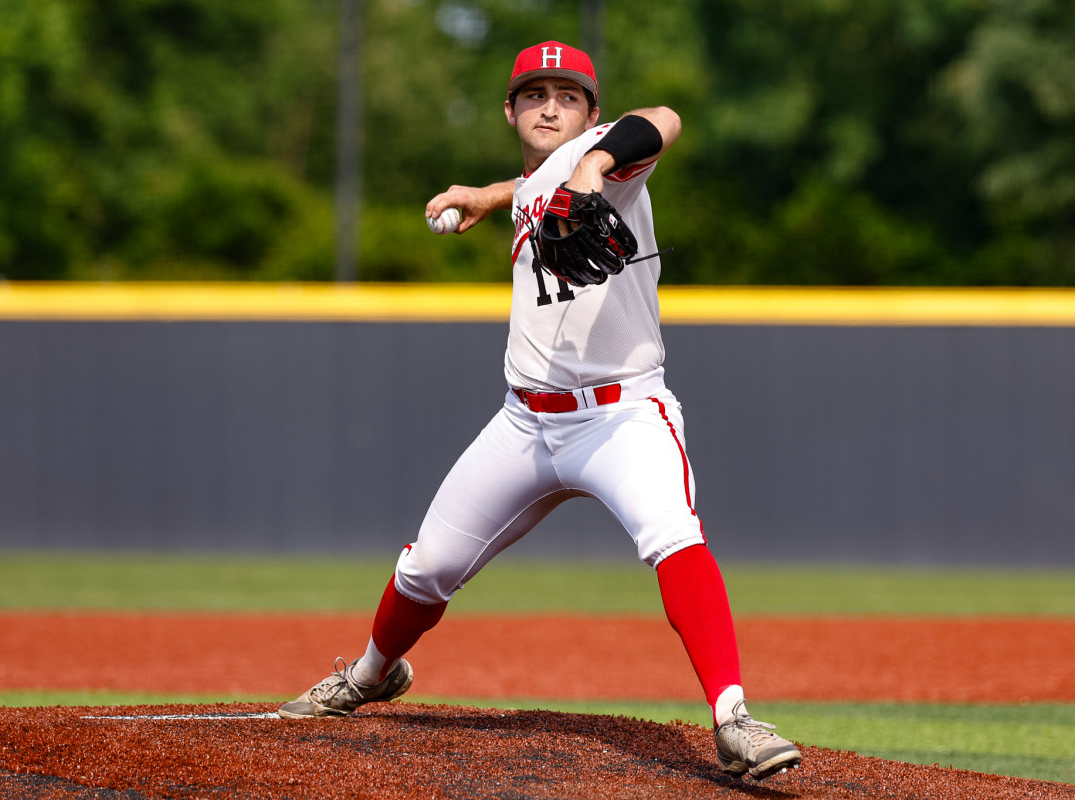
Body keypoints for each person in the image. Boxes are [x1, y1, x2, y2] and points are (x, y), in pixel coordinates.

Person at [278, 40, 803, 781]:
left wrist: (596, 164)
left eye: (567, 96)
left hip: (622, 417)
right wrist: (489, 196)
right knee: (426, 568)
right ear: (510, 110)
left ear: (592, 113)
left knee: (674, 535)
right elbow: (534, 187)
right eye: (534, 94)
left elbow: (665, 117)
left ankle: (734, 718)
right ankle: (370, 675)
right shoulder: (535, 184)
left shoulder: (605, 158)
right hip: (525, 423)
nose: (550, 107)